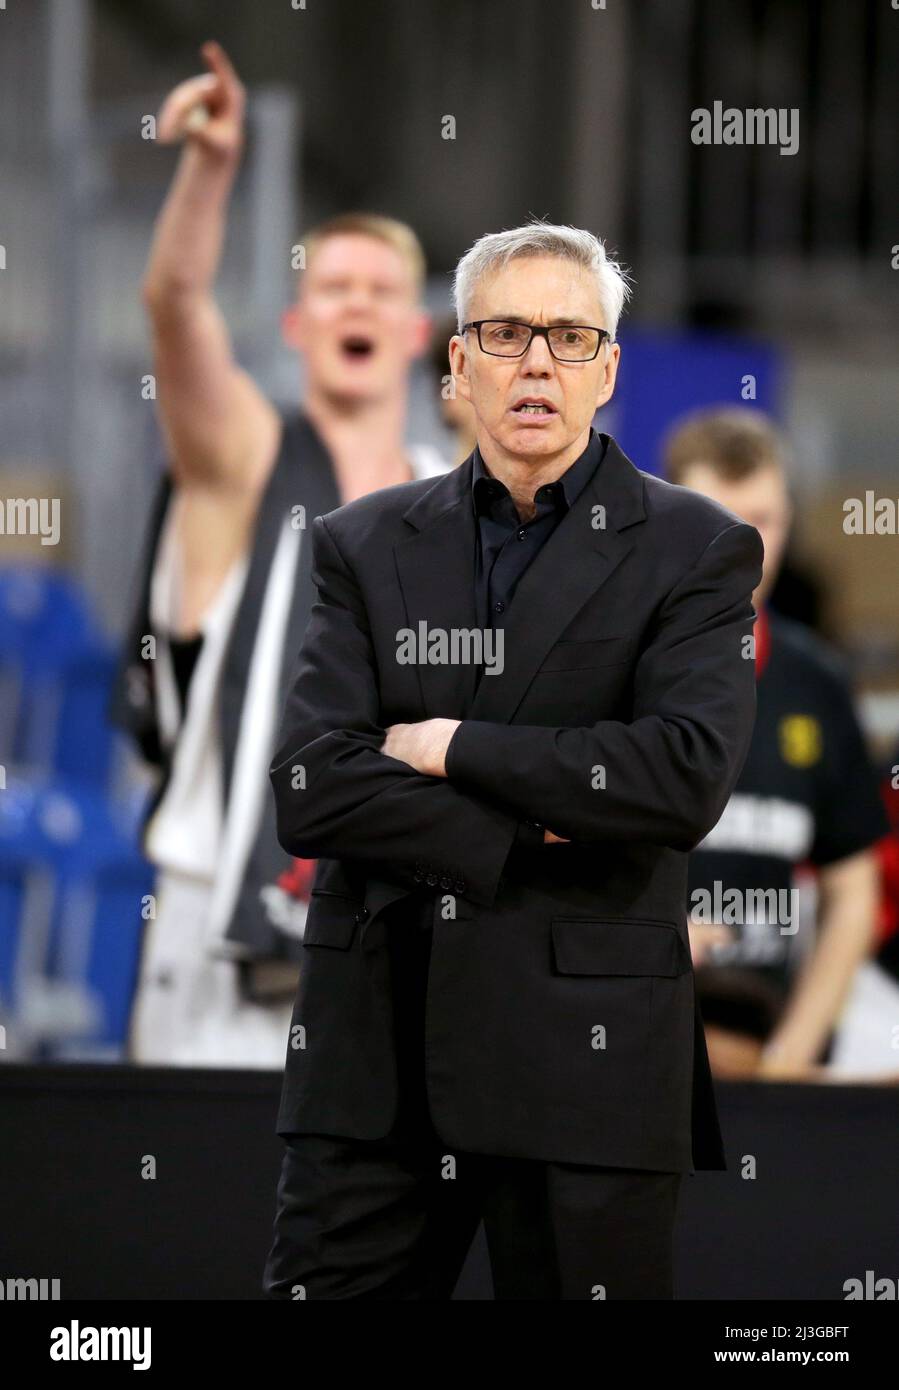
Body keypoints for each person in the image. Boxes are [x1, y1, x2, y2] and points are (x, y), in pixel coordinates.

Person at [262, 220, 763, 1300]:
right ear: (453, 364)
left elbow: (679, 775)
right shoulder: (358, 542)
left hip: (585, 1073)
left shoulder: (697, 548)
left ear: (607, 368)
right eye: (502, 332)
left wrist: (451, 748)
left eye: (568, 337)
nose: (536, 361)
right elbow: (309, 787)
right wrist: (528, 818)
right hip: (375, 1066)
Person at [110, 41, 443, 1067]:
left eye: (379, 289)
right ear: (298, 323)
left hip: (395, 904)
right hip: (226, 918)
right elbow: (173, 307)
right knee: (201, 1208)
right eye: (332, 285)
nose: (354, 302)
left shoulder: (449, 493)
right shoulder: (249, 458)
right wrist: (211, 170)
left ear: (418, 331)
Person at [663, 407, 888, 1080]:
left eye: (760, 521)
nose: (738, 545)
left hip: (769, 1059)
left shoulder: (815, 683)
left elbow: (854, 892)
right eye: (714, 518)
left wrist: (792, 1055)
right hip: (628, 1057)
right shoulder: (606, 670)